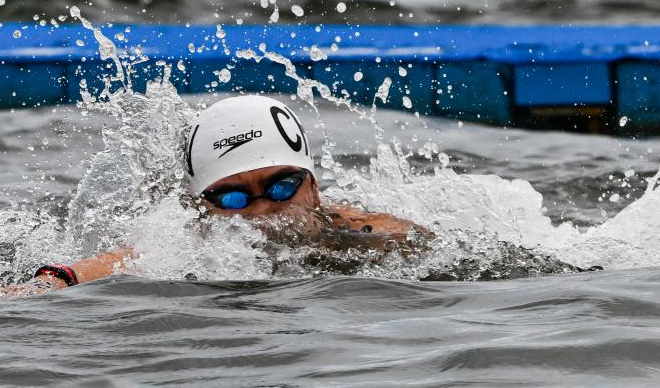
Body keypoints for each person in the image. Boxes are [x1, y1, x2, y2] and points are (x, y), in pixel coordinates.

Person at [29, 95, 428, 291]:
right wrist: (49, 283)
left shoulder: (358, 233)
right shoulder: (187, 244)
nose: (263, 210)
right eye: (233, 198)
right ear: (202, 207)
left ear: (314, 187)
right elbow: (118, 262)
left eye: (282, 186)